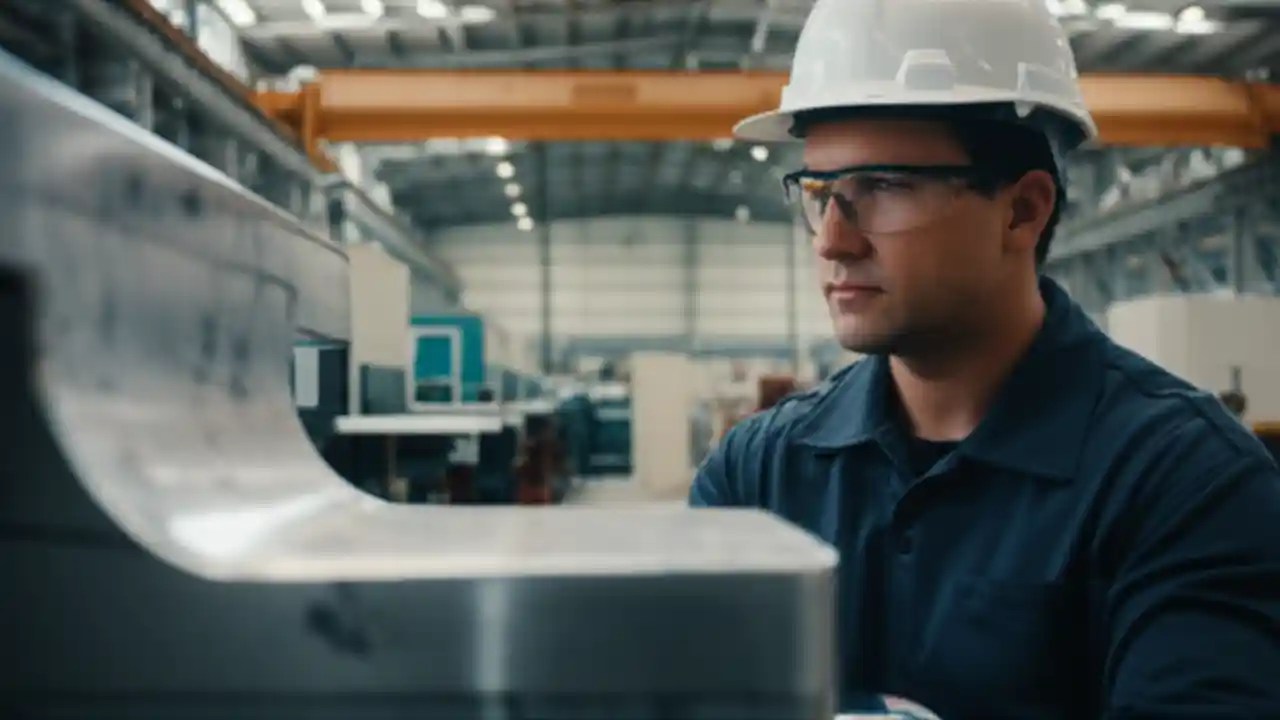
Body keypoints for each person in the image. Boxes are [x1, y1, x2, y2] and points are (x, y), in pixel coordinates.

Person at [688, 0, 1280, 717]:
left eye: (884, 187)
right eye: (821, 194)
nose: (833, 242)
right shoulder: (759, 477)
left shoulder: (1184, 485)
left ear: (1022, 211)